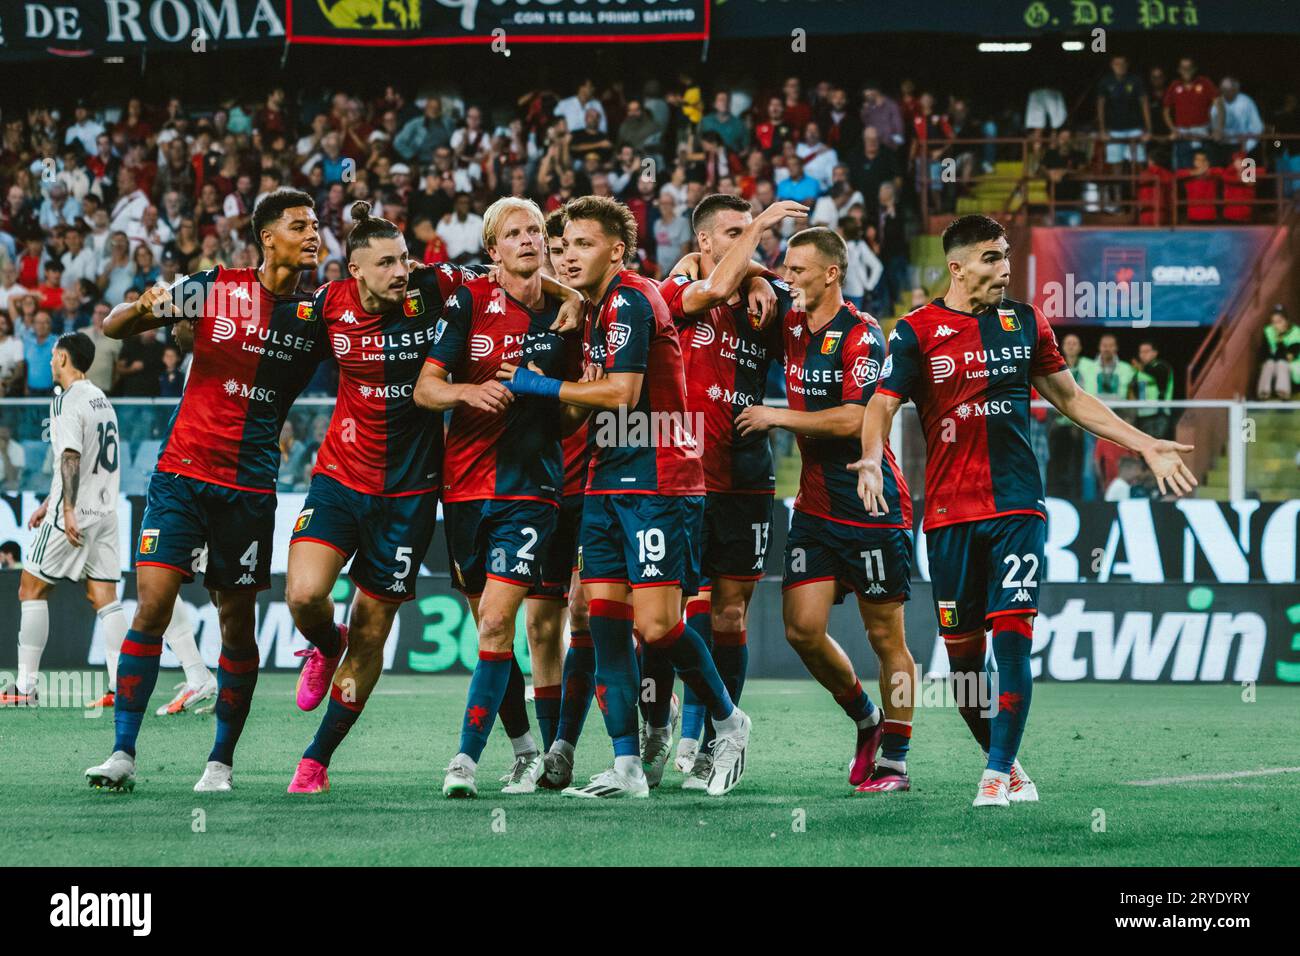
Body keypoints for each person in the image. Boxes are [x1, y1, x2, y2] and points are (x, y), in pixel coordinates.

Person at [852, 214, 1197, 807]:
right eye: (990, 257)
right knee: (963, 666)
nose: (1004, 266)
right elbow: (881, 406)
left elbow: (1071, 399)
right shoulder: (914, 332)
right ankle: (1008, 763)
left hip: (1017, 506)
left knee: (1012, 636)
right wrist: (867, 458)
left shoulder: (1027, 323)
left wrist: (1143, 442)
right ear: (956, 267)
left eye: (1006, 254)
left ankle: (995, 770)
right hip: (948, 516)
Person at [501, 196, 752, 799]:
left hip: (660, 479)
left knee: (659, 625)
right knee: (602, 621)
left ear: (616, 250)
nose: (567, 255)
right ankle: (626, 768)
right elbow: (577, 411)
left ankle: (729, 722)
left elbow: (621, 394)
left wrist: (538, 382)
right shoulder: (588, 310)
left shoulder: (633, 299)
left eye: (582, 244)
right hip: (605, 480)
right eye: (562, 247)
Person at [83, 189, 328, 794]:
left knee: (236, 624)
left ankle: (220, 762)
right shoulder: (215, 286)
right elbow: (114, 326)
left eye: (317, 224)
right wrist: (145, 307)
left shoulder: (316, 314)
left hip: (248, 488)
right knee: (152, 605)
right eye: (300, 225)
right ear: (267, 236)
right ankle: (122, 754)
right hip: (182, 472)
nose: (314, 233)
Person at [283, 203, 508, 794]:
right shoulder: (327, 305)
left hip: (409, 497)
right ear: (354, 270)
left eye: (404, 257)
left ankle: (316, 760)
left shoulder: (435, 285)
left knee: (373, 631)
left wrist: (568, 295)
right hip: (339, 476)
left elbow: (510, 270)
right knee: (306, 595)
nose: (401, 270)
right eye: (386, 262)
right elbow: (270, 330)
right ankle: (324, 647)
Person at [732, 227, 917, 793]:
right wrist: (757, 277)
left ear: (831, 273)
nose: (788, 279)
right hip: (815, 505)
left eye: (798, 271)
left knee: (887, 639)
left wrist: (775, 416)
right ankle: (867, 717)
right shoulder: (788, 322)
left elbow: (858, 419)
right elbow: (725, 276)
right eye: (785, 270)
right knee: (802, 629)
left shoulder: (863, 334)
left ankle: (896, 761)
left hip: (870, 502)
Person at [417, 198, 583, 798]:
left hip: (530, 488)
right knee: (487, 626)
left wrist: (559, 394)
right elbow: (425, 389)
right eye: (514, 234)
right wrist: (469, 392)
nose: (529, 240)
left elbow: (568, 414)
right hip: (461, 487)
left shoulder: (569, 316)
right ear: (493, 250)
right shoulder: (469, 301)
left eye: (535, 230)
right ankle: (525, 752)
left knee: (497, 620)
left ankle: (464, 760)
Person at [657, 195, 804, 785]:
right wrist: (759, 240)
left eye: (755, 228)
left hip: (745, 478)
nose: (754, 237)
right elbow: (707, 283)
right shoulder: (680, 293)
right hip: (683, 478)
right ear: (705, 243)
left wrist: (765, 276)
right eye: (738, 231)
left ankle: (718, 742)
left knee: (728, 611)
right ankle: (676, 732)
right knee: (671, 614)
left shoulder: (764, 305)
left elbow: (812, 299)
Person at [0, 334, 127, 707]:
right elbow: (81, 458)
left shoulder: (66, 401)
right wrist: (50, 501)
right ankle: (121, 688)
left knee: (31, 587)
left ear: (63, 357)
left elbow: (71, 457)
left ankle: (25, 688)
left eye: (55, 354)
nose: (52, 360)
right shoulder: (101, 398)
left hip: (75, 514)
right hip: (106, 511)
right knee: (105, 597)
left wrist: (65, 508)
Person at [1131, 340, 1175, 439]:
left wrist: (1140, 367)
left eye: (1146, 351)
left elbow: (1157, 373)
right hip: (1143, 414)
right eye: (1141, 352)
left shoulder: (1162, 366)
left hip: (1160, 413)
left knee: (1159, 445)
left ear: (1155, 353)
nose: (1143, 355)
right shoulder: (1137, 372)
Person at [1256, 305, 1300, 400]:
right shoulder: (1268, 331)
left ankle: (1283, 394)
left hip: (1293, 364)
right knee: (1269, 364)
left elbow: (1289, 356)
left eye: (1279, 321)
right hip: (1275, 361)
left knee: (1281, 363)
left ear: (1286, 321)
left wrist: (1280, 340)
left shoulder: (1296, 332)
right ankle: (1263, 394)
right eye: (1273, 322)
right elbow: (1265, 352)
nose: (1276, 325)